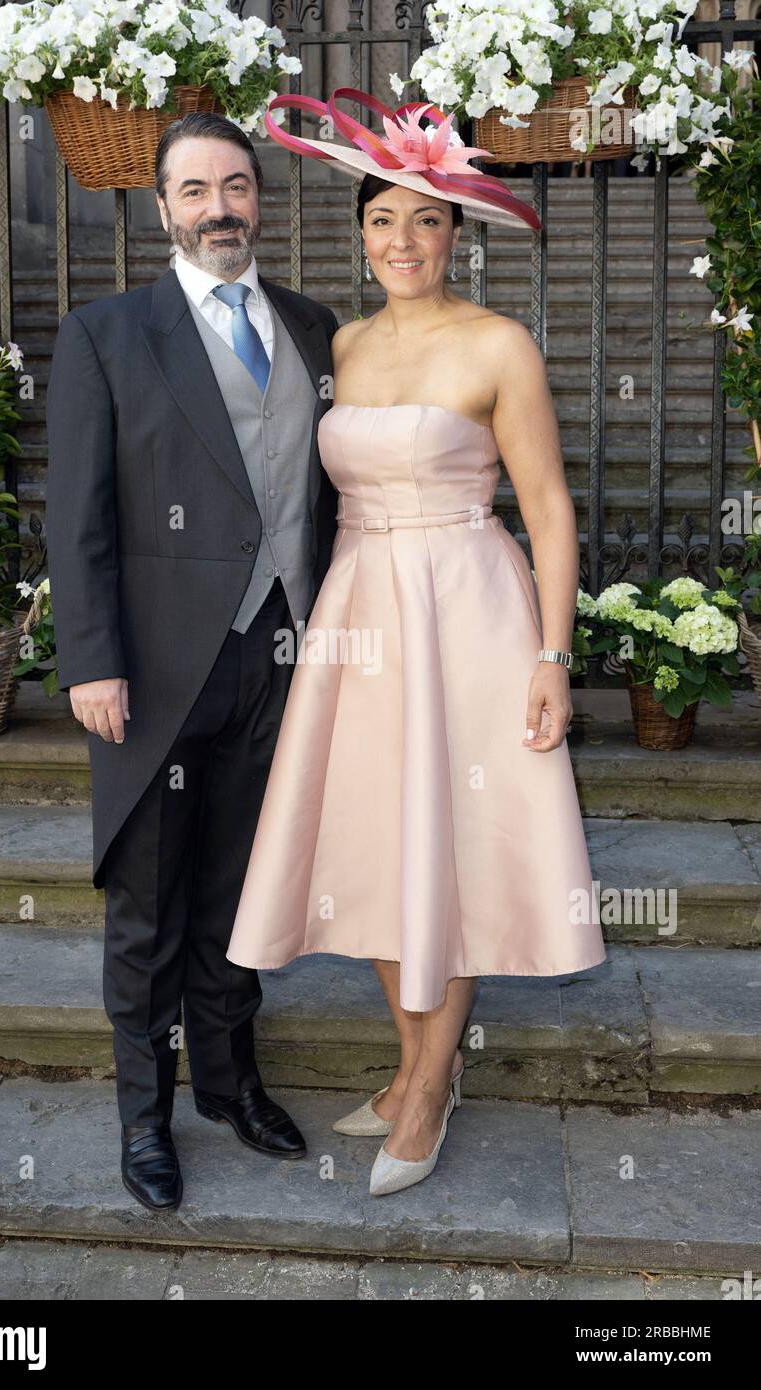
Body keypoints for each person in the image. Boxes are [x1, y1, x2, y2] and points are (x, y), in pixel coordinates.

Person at [226, 88, 606, 1197]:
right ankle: (409, 1066)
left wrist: (549, 657)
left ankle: (431, 1083)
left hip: (469, 612)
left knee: (459, 843)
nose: (402, 239)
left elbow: (545, 510)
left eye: (425, 220)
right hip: (360, 617)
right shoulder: (341, 342)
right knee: (388, 846)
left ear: (456, 234)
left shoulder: (498, 343)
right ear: (361, 233)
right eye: (383, 218)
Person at [45, 111, 338, 1212]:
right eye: (195, 190)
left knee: (241, 890)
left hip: (283, 658)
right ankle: (143, 1115)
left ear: (258, 198)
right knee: (149, 907)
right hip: (158, 674)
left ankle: (229, 1082)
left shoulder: (312, 328)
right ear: (161, 206)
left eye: (236, 186)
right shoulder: (106, 335)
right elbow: (75, 518)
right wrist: (92, 661)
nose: (220, 208)